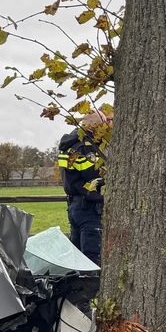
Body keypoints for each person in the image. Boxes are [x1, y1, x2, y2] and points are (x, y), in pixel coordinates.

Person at [57, 109, 111, 267]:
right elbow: (93, 178)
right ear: (93, 126)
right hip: (89, 208)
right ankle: (90, 290)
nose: (105, 130)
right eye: (102, 126)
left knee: (77, 257)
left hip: (75, 206)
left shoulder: (69, 145)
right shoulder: (85, 148)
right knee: (91, 260)